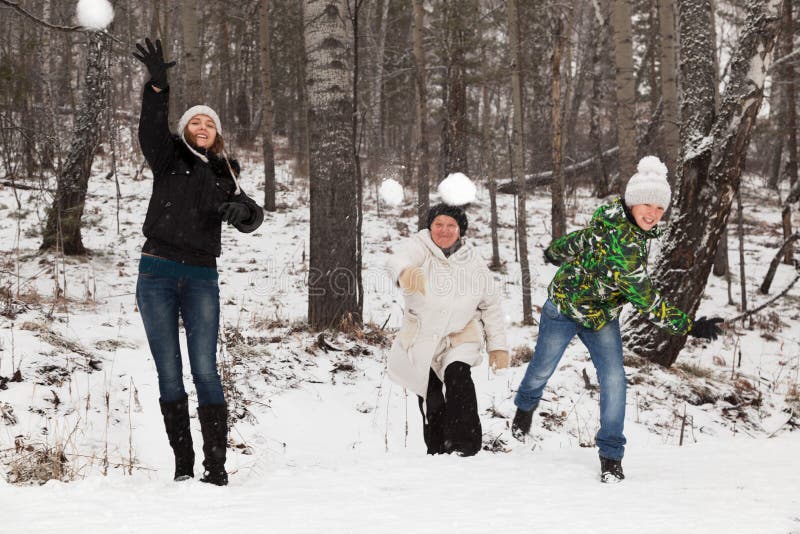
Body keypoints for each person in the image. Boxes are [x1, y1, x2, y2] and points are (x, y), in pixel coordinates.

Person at [511, 156, 723, 483]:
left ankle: (610, 455)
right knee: (542, 366)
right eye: (646, 205)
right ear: (632, 202)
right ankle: (524, 410)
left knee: (614, 380)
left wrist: (556, 251)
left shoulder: (613, 223)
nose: (652, 214)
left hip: (601, 317)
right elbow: (647, 299)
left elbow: (580, 241)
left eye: (659, 208)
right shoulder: (625, 245)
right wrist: (689, 326)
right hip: (564, 308)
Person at [132, 38, 264, 486]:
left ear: (216, 132)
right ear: (187, 130)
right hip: (157, 274)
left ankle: (216, 467)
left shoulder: (224, 172)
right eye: (196, 121)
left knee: (205, 369)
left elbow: (253, 214)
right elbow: (151, 128)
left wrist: (241, 211)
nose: (203, 126)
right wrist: (157, 88)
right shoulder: (167, 157)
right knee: (169, 370)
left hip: (202, 277)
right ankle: (183, 465)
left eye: (210, 122)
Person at [385, 202, 509, 457]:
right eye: (438, 224)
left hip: (460, 336)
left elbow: (491, 305)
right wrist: (405, 272)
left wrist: (498, 347)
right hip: (422, 339)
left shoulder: (473, 263)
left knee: (457, 376)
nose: (444, 230)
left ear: (460, 231)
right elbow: (397, 260)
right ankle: (438, 450)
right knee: (431, 396)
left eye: (451, 225)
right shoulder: (420, 247)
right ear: (430, 227)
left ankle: (465, 446)